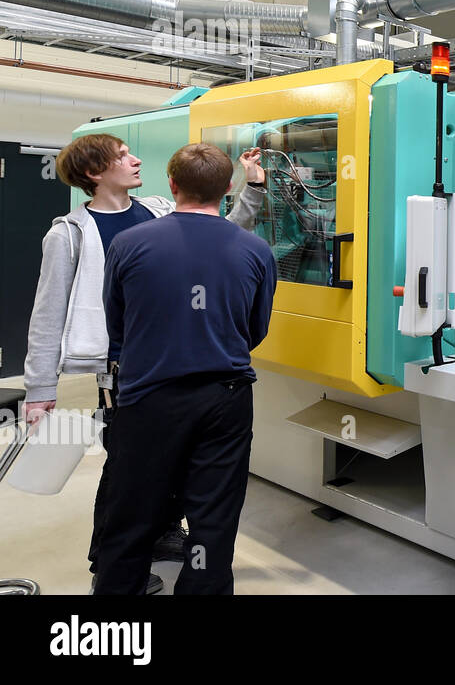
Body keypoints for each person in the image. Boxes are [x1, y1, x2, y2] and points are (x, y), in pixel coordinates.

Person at [22, 133, 266, 587]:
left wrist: (251, 190)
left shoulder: (156, 211)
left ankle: (158, 542)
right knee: (127, 482)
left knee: (155, 472)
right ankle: (111, 567)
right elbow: (48, 313)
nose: (135, 159)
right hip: (124, 372)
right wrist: (40, 390)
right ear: (95, 173)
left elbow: (215, 230)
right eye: (122, 156)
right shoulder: (70, 234)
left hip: (158, 367)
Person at [93, 143, 277, 596]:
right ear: (229, 187)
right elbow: (254, 330)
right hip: (225, 397)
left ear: (172, 185)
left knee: (132, 509)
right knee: (213, 514)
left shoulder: (128, 243)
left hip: (146, 395)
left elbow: (117, 322)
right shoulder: (255, 251)